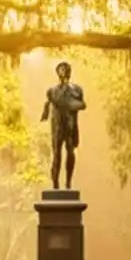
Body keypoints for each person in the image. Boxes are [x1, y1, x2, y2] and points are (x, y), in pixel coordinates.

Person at [40, 61, 86, 189]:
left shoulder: (76, 90)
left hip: (70, 125)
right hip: (57, 126)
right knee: (56, 154)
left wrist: (70, 105)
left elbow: (82, 105)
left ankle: (68, 182)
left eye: (65, 70)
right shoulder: (52, 91)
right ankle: (55, 182)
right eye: (60, 70)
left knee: (70, 153)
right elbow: (48, 105)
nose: (62, 72)